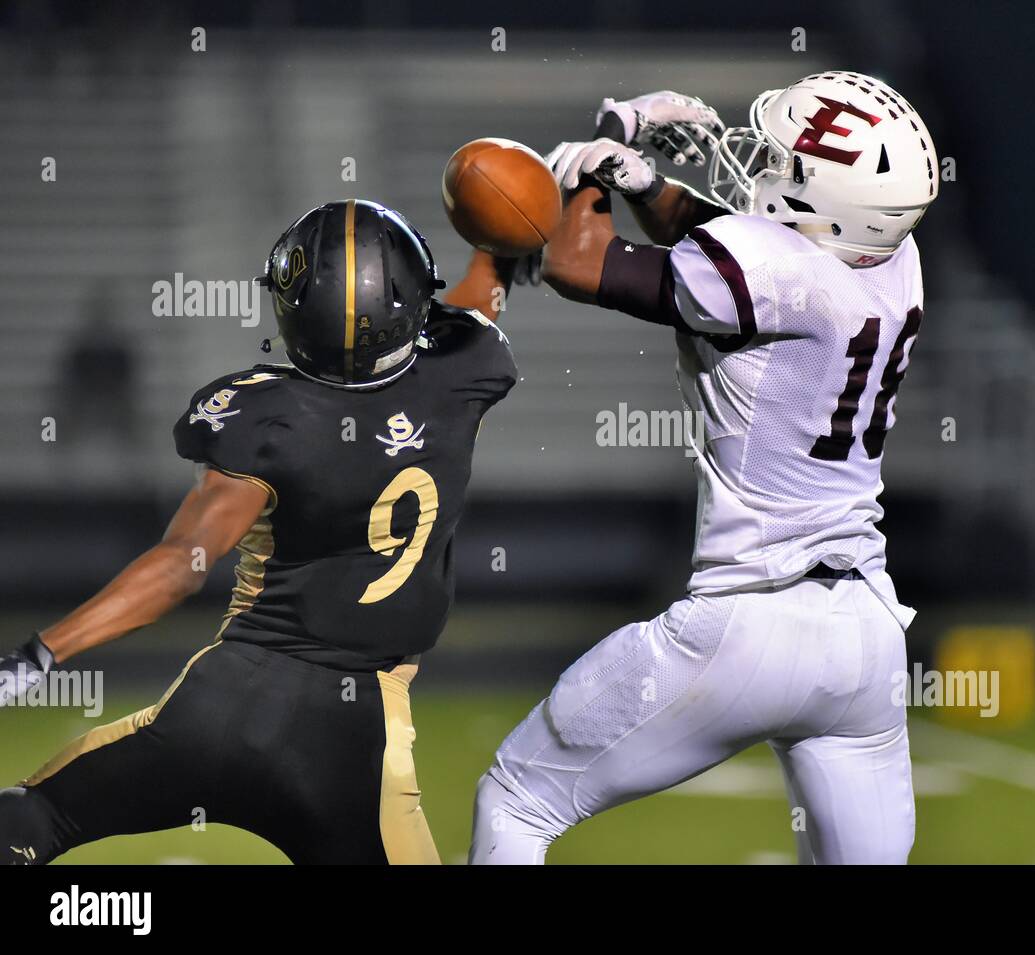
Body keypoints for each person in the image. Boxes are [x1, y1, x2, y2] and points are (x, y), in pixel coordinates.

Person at [471, 74, 936, 864]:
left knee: (516, 797)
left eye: (786, 163)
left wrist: (598, 154)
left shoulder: (768, 267)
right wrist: (651, 186)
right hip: (865, 638)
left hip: (746, 624)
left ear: (821, 201)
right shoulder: (895, 259)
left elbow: (575, 260)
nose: (764, 163)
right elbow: (748, 259)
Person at [0, 199, 517, 864]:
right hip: (356, 744)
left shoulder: (265, 417)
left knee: (34, 816)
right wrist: (504, 238)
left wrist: (41, 653)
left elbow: (182, 563)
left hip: (224, 708)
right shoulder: (463, 374)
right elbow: (480, 302)